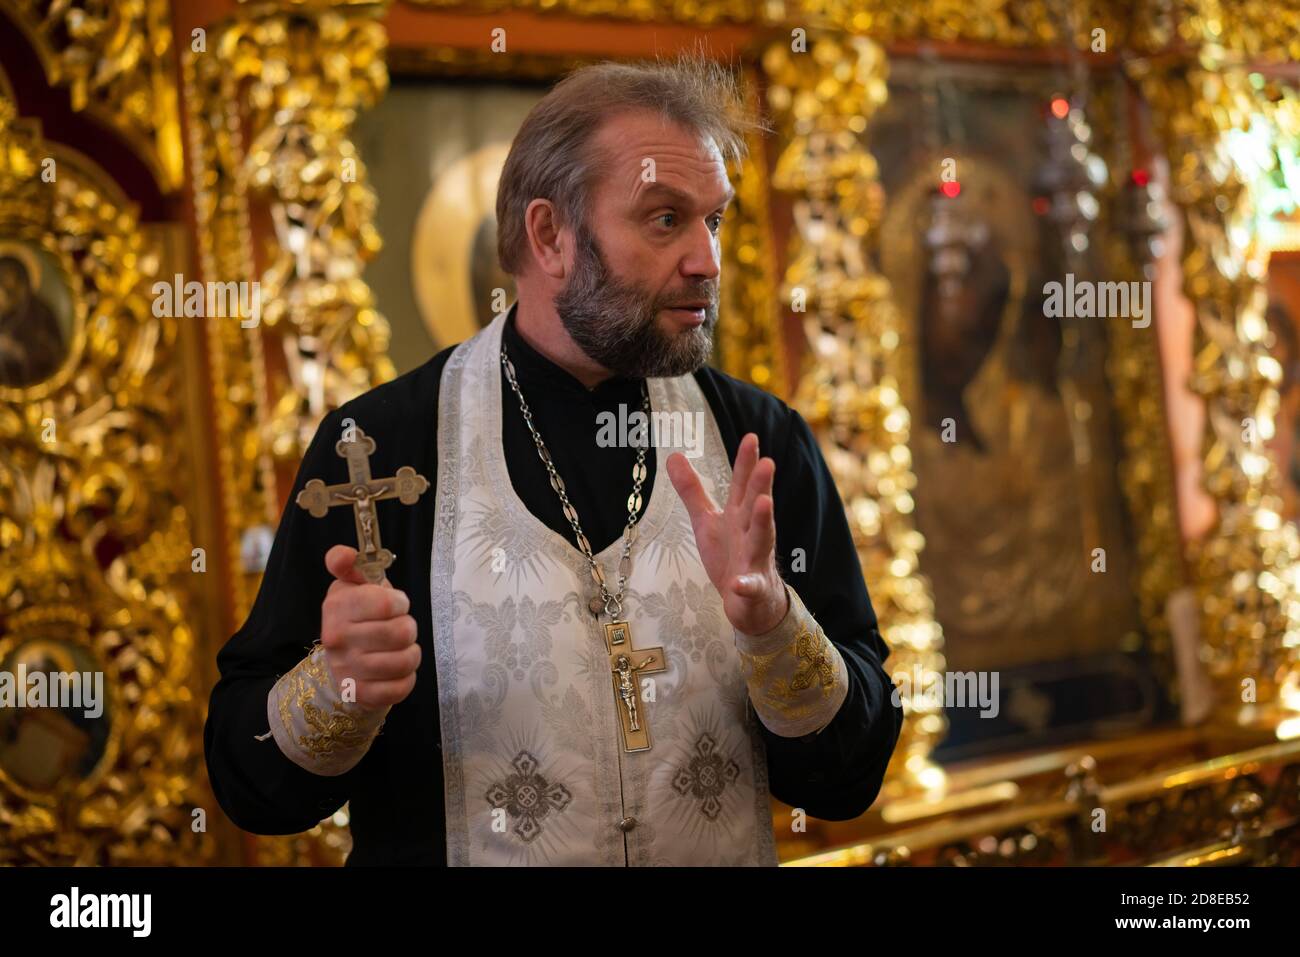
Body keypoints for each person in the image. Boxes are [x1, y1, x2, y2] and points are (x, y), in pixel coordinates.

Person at [205, 54, 902, 866]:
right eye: (665, 218)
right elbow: (249, 782)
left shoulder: (758, 440)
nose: (707, 261)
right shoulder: (379, 450)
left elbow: (850, 777)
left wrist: (775, 629)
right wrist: (337, 688)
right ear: (550, 235)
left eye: (714, 220)